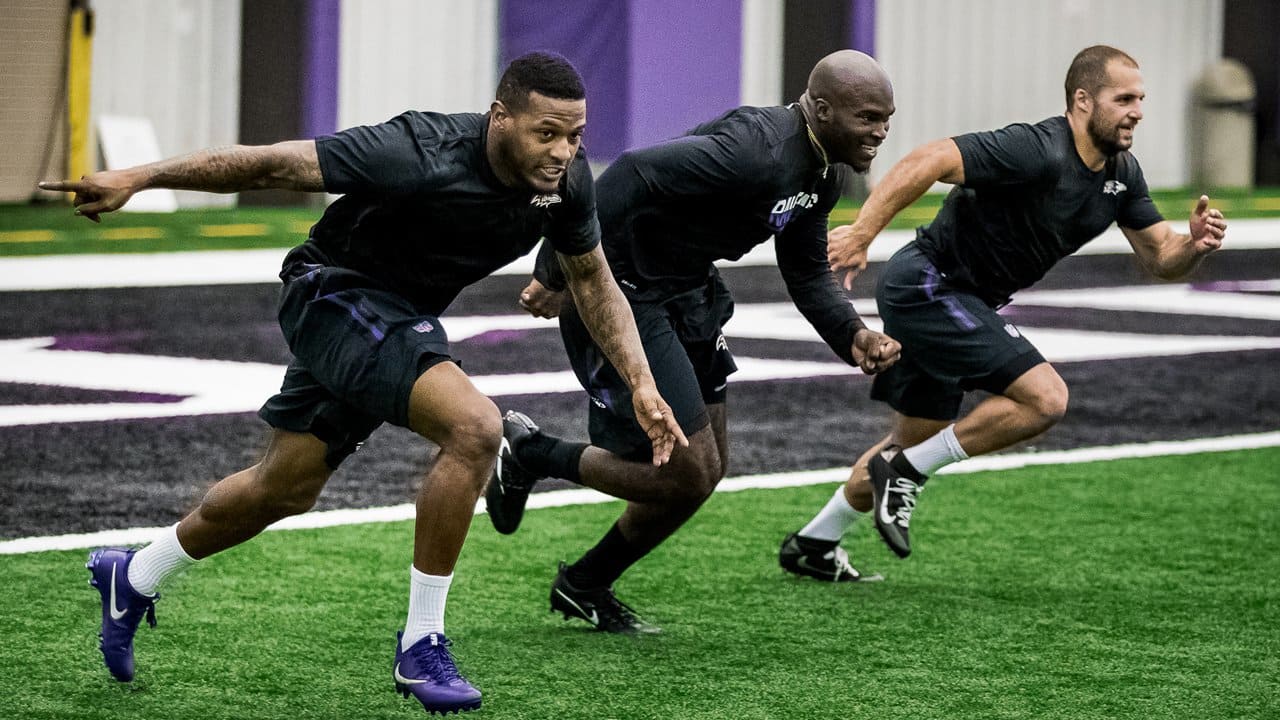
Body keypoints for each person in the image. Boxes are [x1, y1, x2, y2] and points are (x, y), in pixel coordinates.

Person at [40, 52, 686, 715]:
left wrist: (641, 383)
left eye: (575, 136)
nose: (562, 152)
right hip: (331, 291)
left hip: (392, 320)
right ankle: (421, 643)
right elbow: (271, 164)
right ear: (500, 118)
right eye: (545, 133)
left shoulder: (565, 184)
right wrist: (141, 175)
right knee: (475, 427)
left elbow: (592, 280)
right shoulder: (417, 150)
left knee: (282, 488)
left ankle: (133, 574)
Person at [483, 49, 903, 633]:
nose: (880, 132)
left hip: (689, 287)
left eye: (886, 119)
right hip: (625, 290)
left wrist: (852, 334)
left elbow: (806, 269)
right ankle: (531, 453)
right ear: (823, 109)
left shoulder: (825, 171)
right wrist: (556, 269)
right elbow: (632, 172)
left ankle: (584, 584)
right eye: (868, 118)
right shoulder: (756, 151)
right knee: (688, 471)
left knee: (705, 470)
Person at [781, 45, 1228, 572]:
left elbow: (1161, 256)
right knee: (1045, 399)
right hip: (927, 285)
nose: (1138, 111)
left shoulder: (1122, 176)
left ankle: (814, 543)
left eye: (1141, 99)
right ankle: (905, 472)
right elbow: (931, 158)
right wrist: (863, 232)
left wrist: (1194, 245)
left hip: (957, 299)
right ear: (1083, 100)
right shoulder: (1038, 149)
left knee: (911, 442)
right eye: (1124, 99)